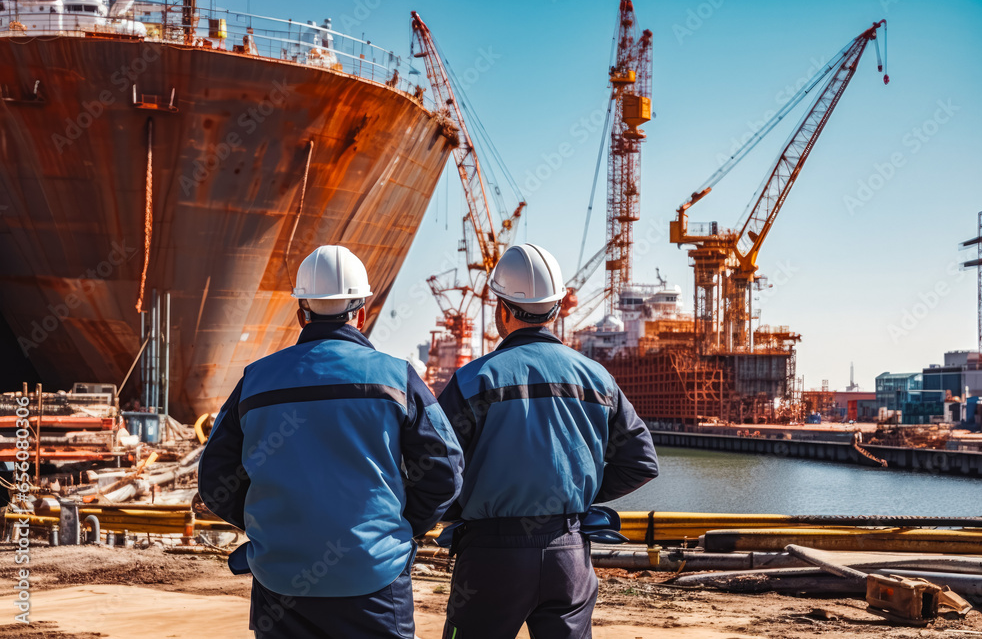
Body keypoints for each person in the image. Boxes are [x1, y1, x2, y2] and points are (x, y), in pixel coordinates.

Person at [198, 245, 463, 639]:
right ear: (362, 311)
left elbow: (215, 481)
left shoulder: (255, 381)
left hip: (281, 584)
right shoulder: (396, 378)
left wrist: (271, 528)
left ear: (300, 312)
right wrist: (400, 527)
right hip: (374, 578)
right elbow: (445, 471)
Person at [436, 243, 659, 639]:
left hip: (490, 555)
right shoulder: (597, 379)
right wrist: (578, 493)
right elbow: (641, 462)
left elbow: (436, 469)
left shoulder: (473, 380)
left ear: (500, 308)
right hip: (568, 555)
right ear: (556, 309)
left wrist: (457, 510)